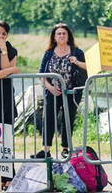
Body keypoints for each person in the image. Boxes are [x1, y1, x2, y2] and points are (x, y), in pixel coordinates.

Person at [37, 23, 86, 156]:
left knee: (68, 119)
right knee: (48, 119)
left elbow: (88, 67)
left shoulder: (77, 52)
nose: (61, 35)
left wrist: (77, 62)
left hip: (71, 92)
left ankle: (66, 149)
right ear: (54, 37)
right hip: (52, 92)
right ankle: (45, 150)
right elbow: (41, 74)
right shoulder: (48, 53)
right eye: (58, 33)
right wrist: (49, 87)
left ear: (68, 36)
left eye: (64, 33)